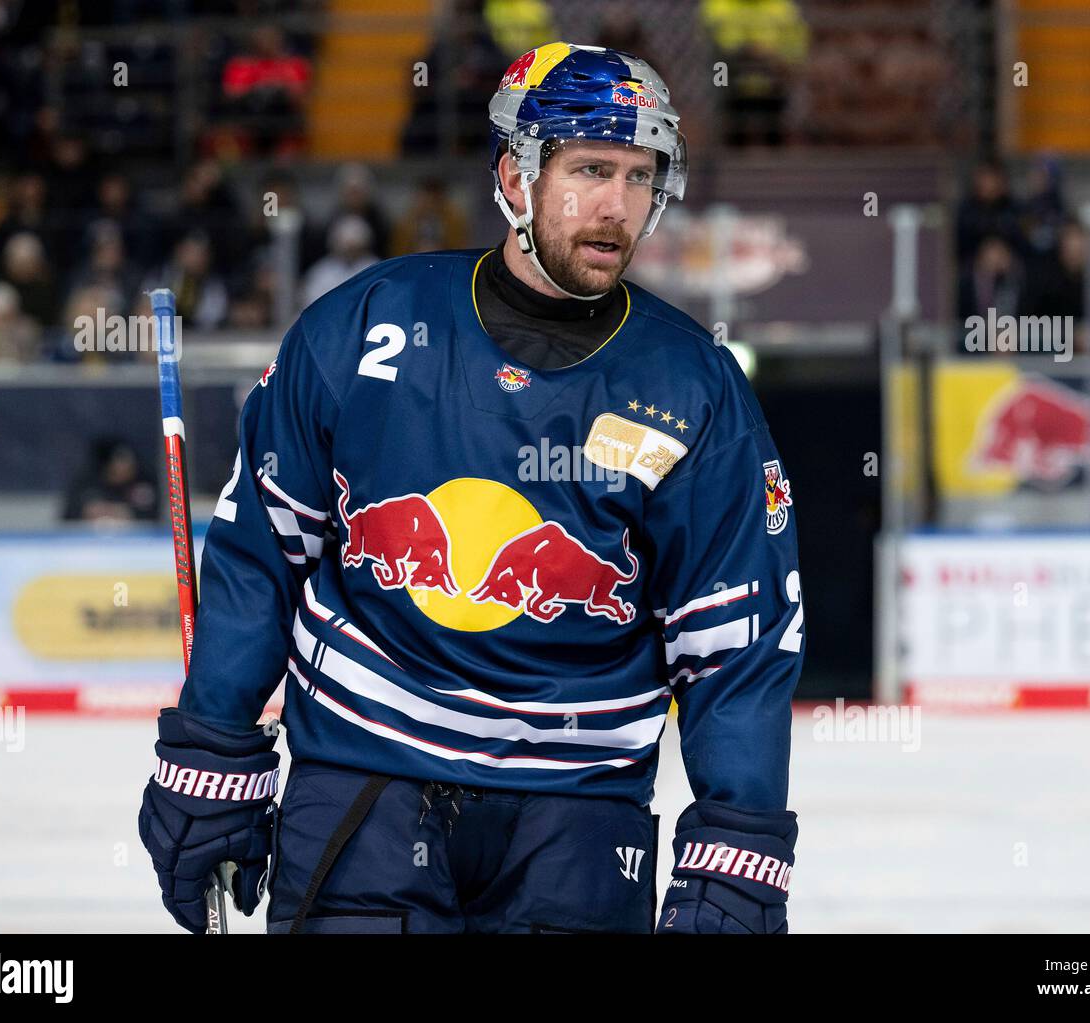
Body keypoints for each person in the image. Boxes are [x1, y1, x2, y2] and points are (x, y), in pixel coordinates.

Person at [139, 42, 804, 935]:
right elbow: (263, 554)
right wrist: (212, 749)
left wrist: (739, 838)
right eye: (591, 169)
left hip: (578, 818)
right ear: (515, 176)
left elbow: (736, 639)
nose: (618, 206)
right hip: (362, 789)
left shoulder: (695, 386)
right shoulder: (362, 327)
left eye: (642, 176)